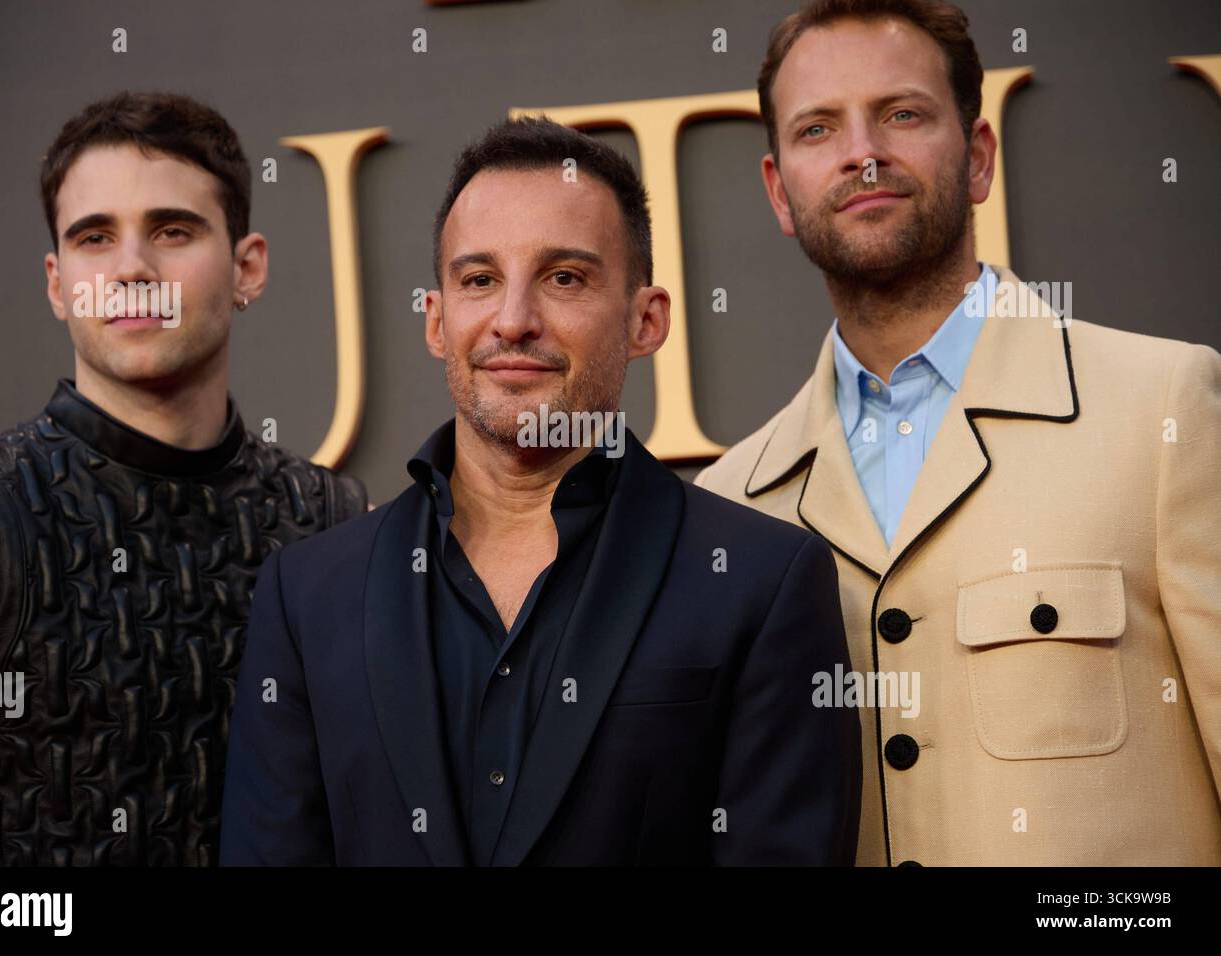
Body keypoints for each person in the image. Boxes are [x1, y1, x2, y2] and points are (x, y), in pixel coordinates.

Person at [220, 117, 860, 866]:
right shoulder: (309, 596)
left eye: (564, 278)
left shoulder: (762, 582)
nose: (514, 321)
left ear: (645, 320)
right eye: (480, 280)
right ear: (436, 320)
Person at [696, 0, 1221, 865]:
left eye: (902, 114)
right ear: (778, 190)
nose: (863, 153)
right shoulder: (729, 506)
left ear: (977, 157)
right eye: (818, 129)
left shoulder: (1162, 409)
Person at [0, 91, 367, 866]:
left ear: (247, 267)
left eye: (172, 230)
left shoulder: (332, 522)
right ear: (58, 284)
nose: (132, 268)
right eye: (96, 238)